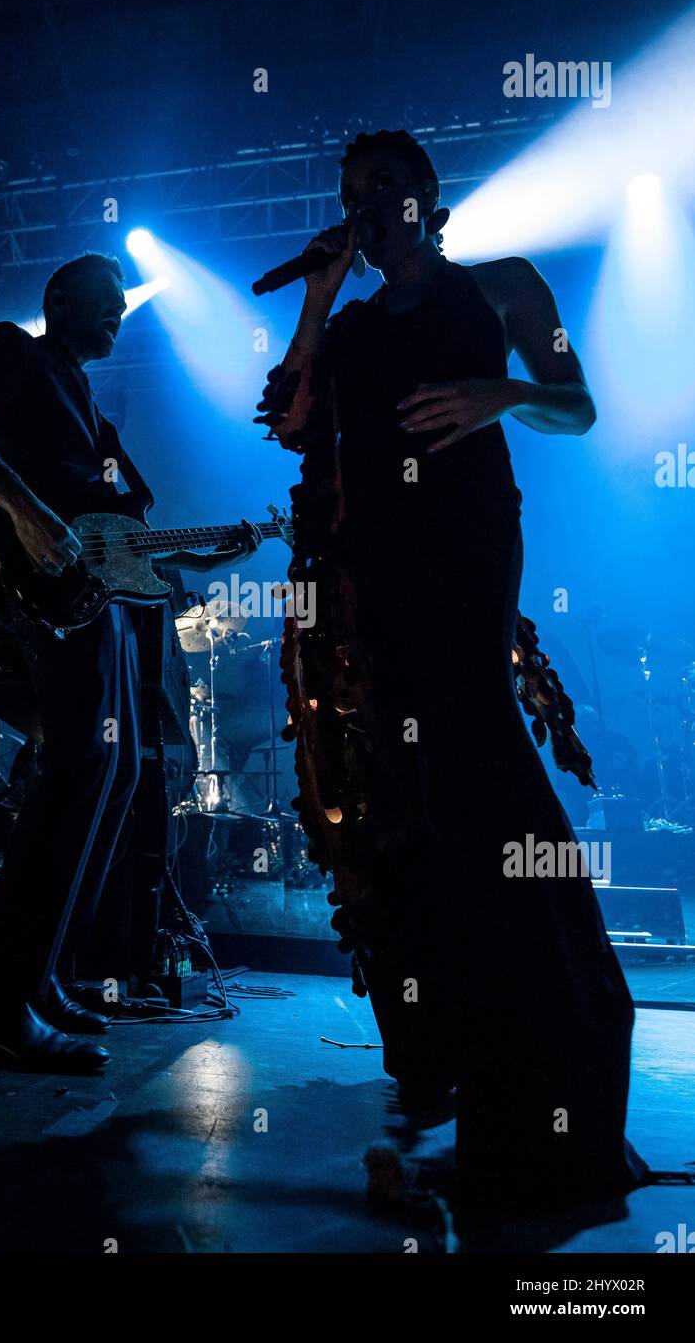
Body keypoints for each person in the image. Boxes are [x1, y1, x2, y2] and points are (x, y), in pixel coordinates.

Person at [255, 130, 648, 1210]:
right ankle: (481, 1078)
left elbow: (574, 402)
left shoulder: (504, 288)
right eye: (349, 195)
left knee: (481, 776)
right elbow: (286, 417)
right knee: (419, 813)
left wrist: (497, 393)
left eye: (384, 188)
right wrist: (319, 295)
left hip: (467, 549)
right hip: (371, 581)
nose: (367, 205)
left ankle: (565, 1062)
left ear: (430, 199)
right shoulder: (348, 331)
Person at [0, 251, 259, 1073]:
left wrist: (209, 559)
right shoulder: (15, 348)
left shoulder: (92, 409)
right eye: (105, 301)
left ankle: (37, 982)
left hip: (101, 602)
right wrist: (26, 511)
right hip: (42, 589)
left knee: (109, 779)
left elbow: (129, 538)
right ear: (57, 299)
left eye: (124, 304)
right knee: (79, 771)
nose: (120, 313)